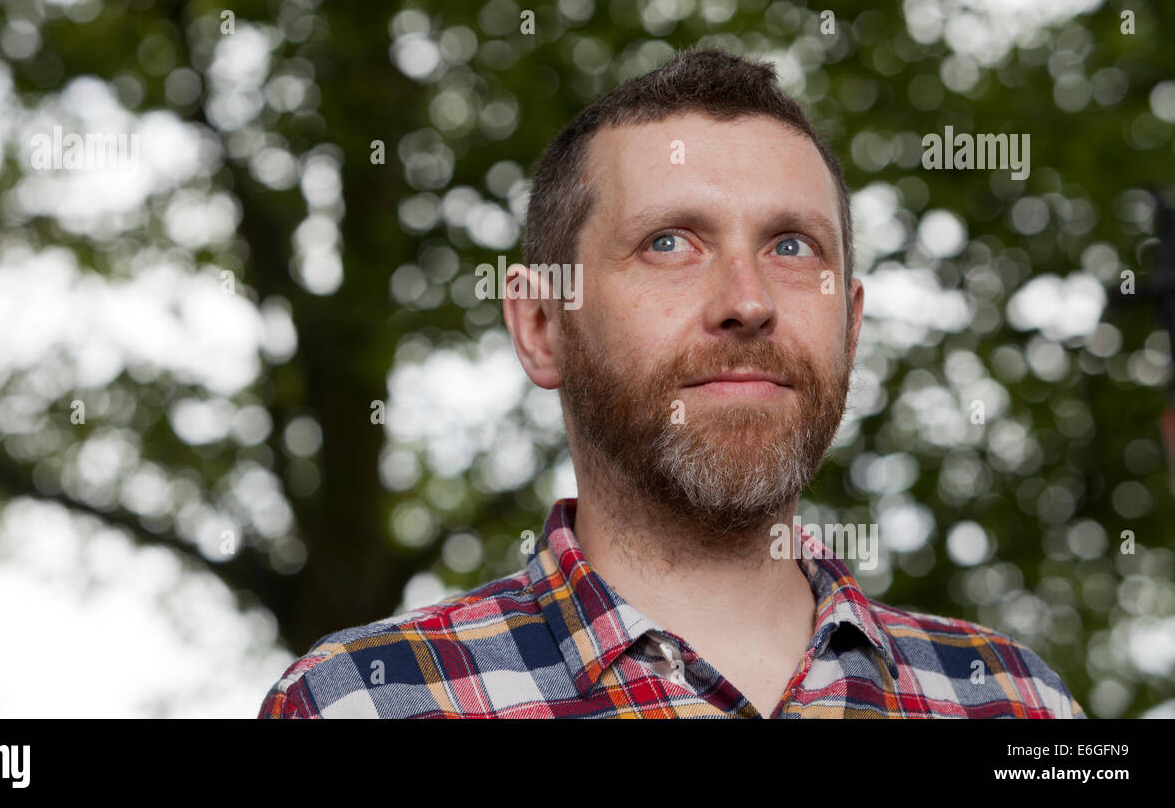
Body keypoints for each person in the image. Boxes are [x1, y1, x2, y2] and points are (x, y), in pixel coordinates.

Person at [258, 47, 1085, 718]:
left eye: (792, 247)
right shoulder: (363, 703)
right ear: (542, 326)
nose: (749, 302)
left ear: (852, 324)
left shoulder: (1017, 705)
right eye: (668, 243)